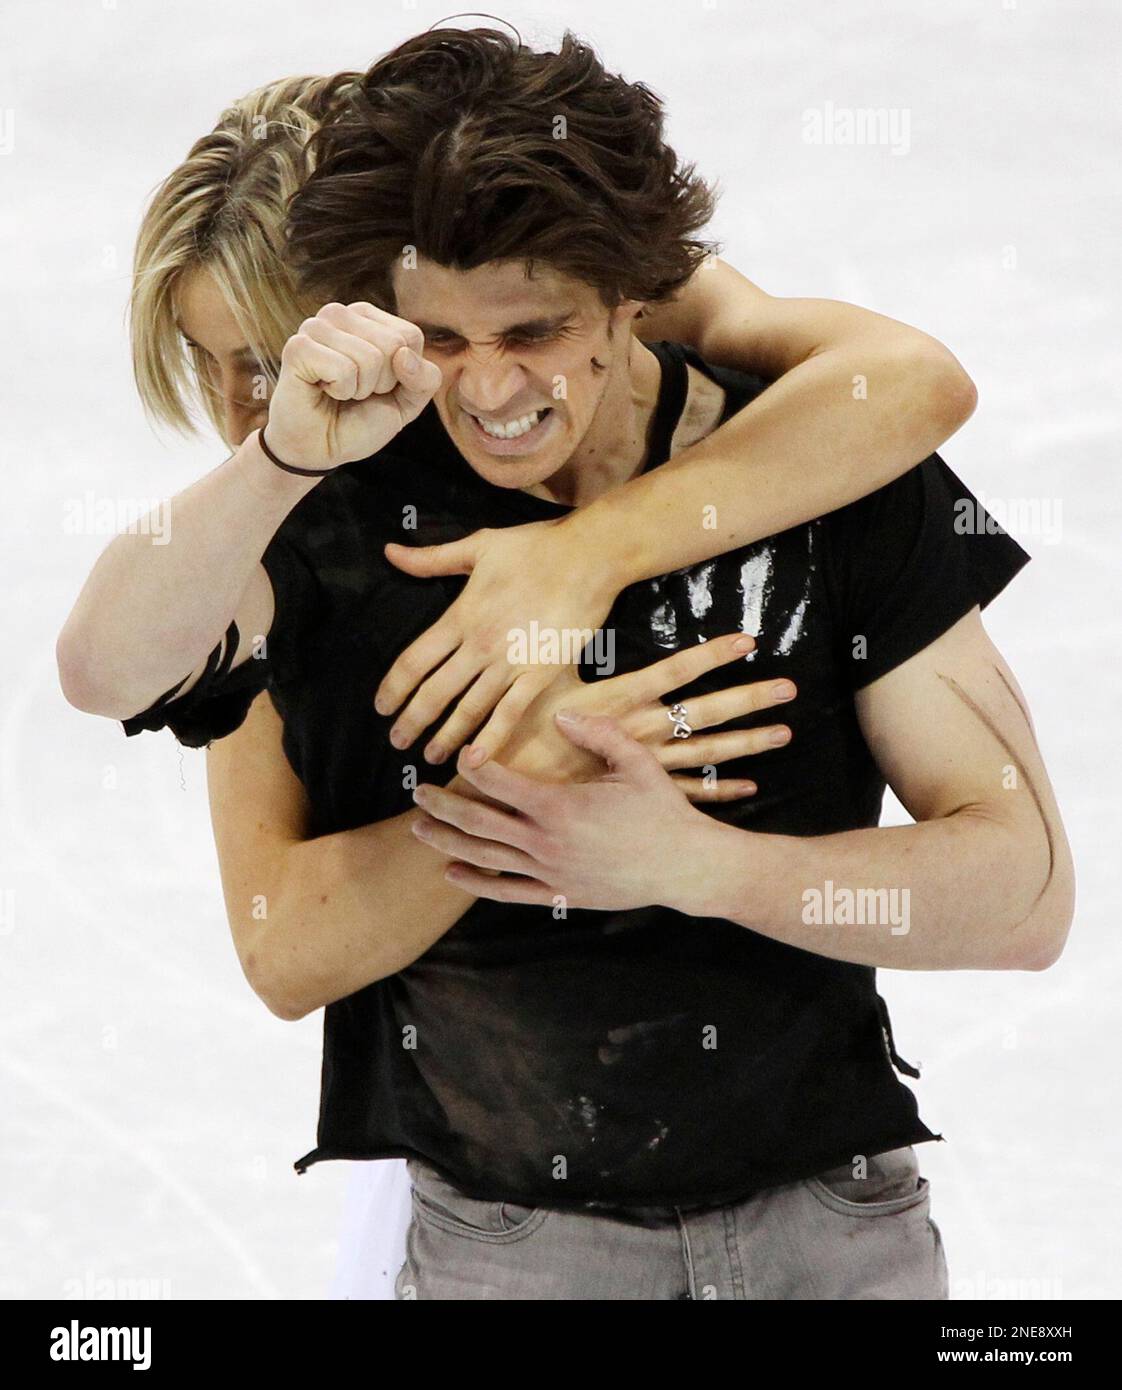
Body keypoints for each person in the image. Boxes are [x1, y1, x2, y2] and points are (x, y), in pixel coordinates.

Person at [56, 29, 1028, 1299]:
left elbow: (910, 382)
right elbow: (261, 907)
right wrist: (527, 778)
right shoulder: (309, 531)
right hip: (495, 1207)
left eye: (277, 347)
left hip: (828, 1213)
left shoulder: (683, 358)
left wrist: (590, 556)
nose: (249, 401)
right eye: (219, 368)